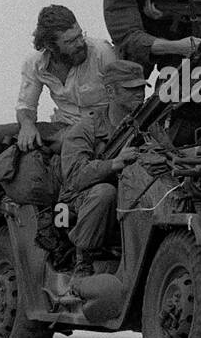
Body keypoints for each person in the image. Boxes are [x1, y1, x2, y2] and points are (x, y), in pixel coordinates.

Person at [0, 5, 115, 187]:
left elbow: (123, 96)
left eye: (80, 35)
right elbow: (25, 106)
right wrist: (27, 125)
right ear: (50, 46)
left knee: (65, 143)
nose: (80, 43)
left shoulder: (102, 53)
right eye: (70, 42)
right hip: (62, 127)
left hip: (99, 129)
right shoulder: (36, 62)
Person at [59, 60, 148, 287]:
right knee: (104, 192)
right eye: (130, 89)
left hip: (130, 196)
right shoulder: (85, 128)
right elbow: (74, 178)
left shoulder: (148, 126)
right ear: (111, 91)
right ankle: (83, 262)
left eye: (141, 88)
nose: (139, 94)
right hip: (79, 203)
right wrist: (113, 164)